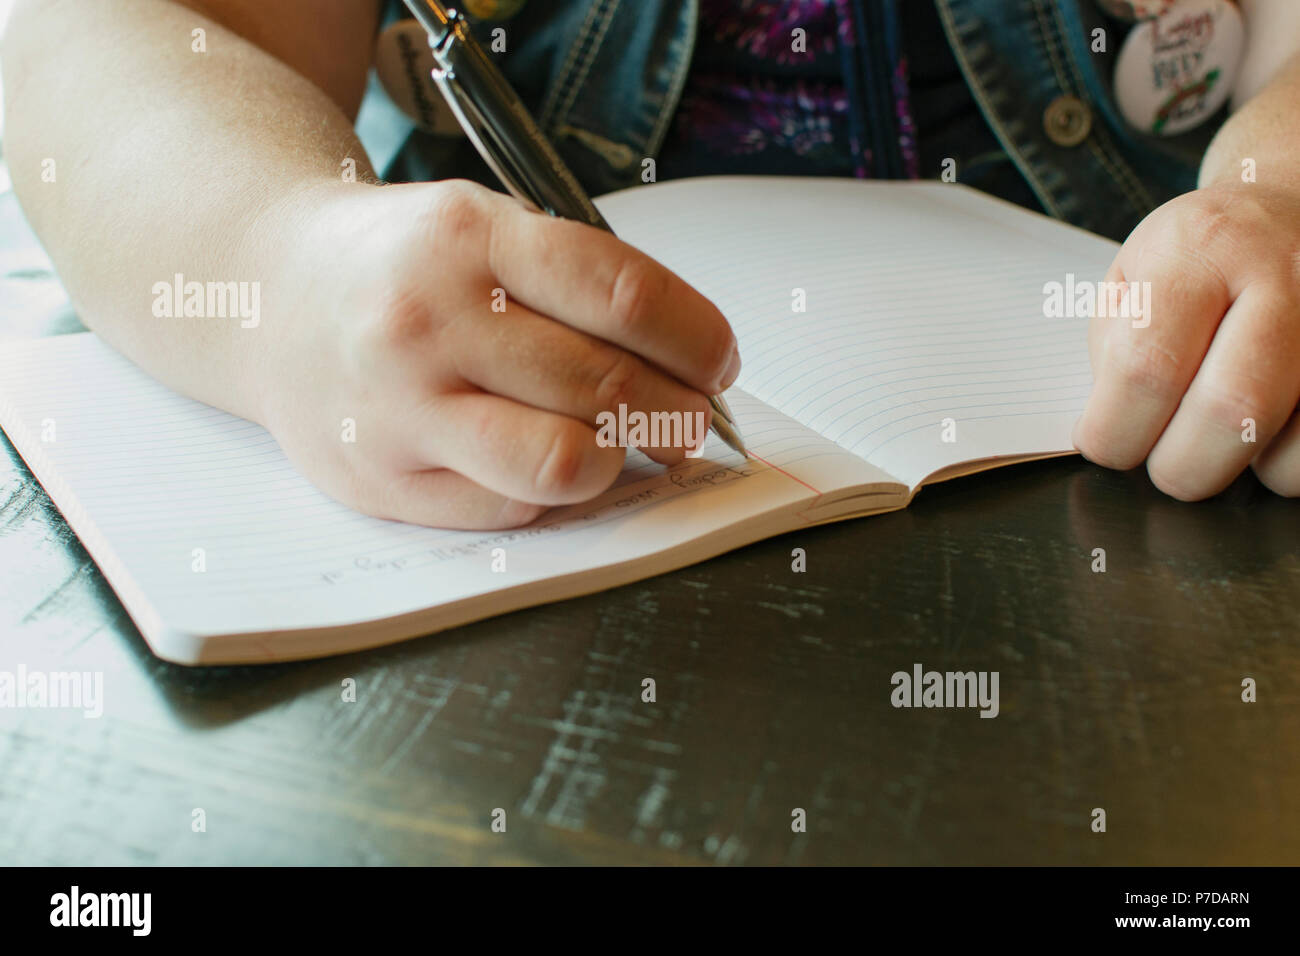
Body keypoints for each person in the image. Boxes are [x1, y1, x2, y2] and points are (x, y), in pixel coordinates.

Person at [3, 0, 1298, 531]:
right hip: (497, 462)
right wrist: (276, 256)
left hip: (1156, 460)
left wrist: (1281, 186)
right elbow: (107, 36)